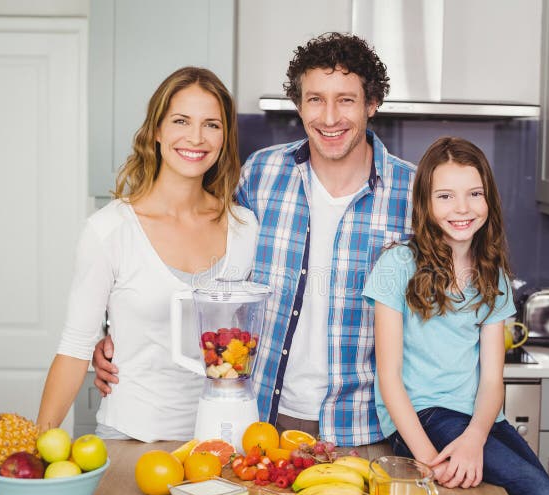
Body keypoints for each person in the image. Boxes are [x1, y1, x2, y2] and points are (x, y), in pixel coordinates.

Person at [92, 33, 415, 446]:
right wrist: (117, 330)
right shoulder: (261, 174)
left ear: (372, 104)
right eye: (315, 99)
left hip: (367, 428)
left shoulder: (415, 192)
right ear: (299, 105)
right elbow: (200, 259)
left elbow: (444, 301)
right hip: (260, 421)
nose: (329, 116)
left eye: (346, 100)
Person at [362, 137, 549, 495]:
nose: (461, 208)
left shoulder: (492, 275)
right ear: (425, 205)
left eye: (473, 194)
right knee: (536, 494)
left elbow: (493, 379)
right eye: (445, 196)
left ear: (489, 201)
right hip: (427, 414)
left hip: (481, 418)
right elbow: (389, 377)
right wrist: (428, 460)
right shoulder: (397, 265)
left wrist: (476, 436)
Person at [36, 67, 258, 442]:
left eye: (212, 125)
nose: (196, 137)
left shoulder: (245, 227)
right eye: (181, 121)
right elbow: (74, 349)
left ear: (224, 137)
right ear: (156, 130)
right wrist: (31, 449)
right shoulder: (110, 230)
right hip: (129, 438)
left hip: (225, 445)